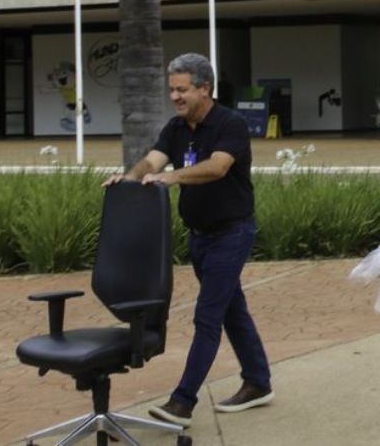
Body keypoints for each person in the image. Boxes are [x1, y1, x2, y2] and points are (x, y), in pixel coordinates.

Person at [104, 53, 273, 428]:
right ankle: (258, 381)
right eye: (172, 91)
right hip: (200, 237)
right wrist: (129, 178)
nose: (176, 97)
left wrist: (174, 177)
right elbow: (151, 161)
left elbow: (218, 166)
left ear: (205, 88)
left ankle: (182, 401)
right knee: (232, 309)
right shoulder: (176, 128)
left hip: (232, 233)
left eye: (182, 90)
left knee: (208, 316)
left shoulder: (230, 124)